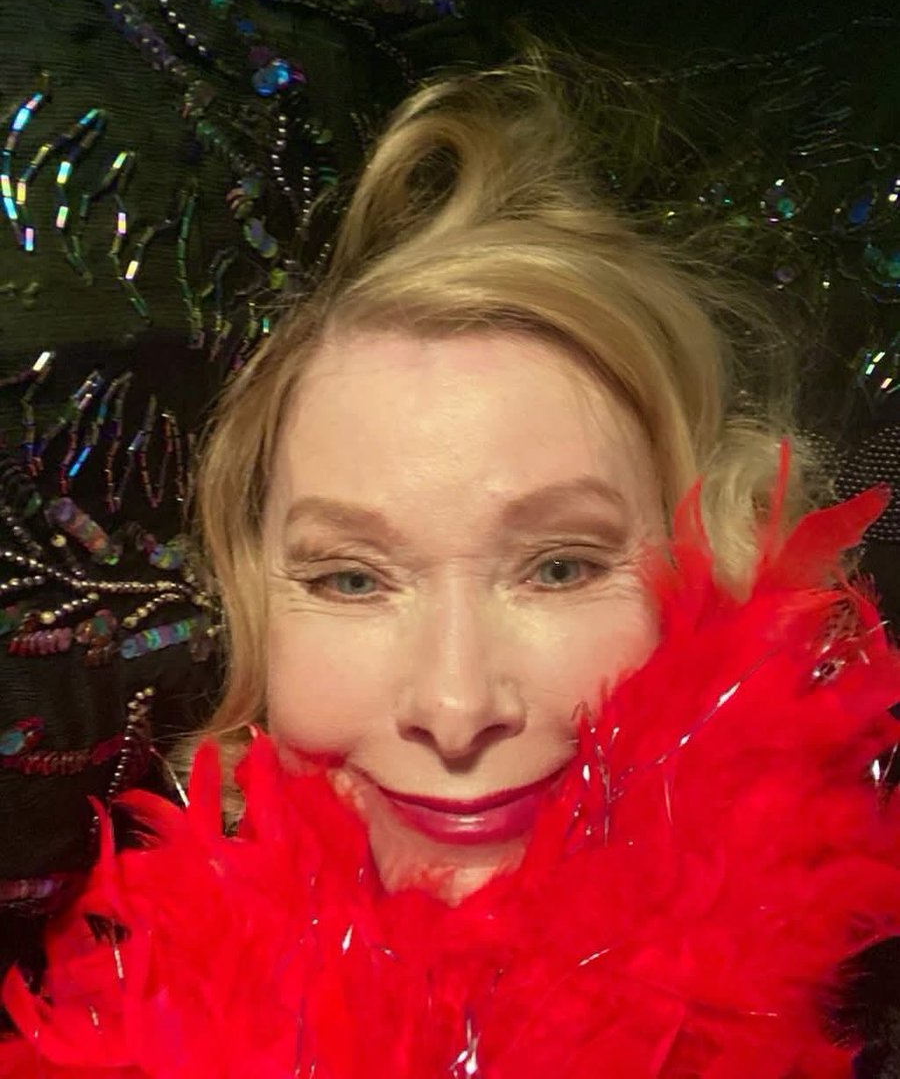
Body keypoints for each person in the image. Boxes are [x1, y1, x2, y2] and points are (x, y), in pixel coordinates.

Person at [2, 58, 900, 1078]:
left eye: (560, 568)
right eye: (351, 579)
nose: (457, 707)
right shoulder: (135, 1012)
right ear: (251, 610)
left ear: (719, 565)